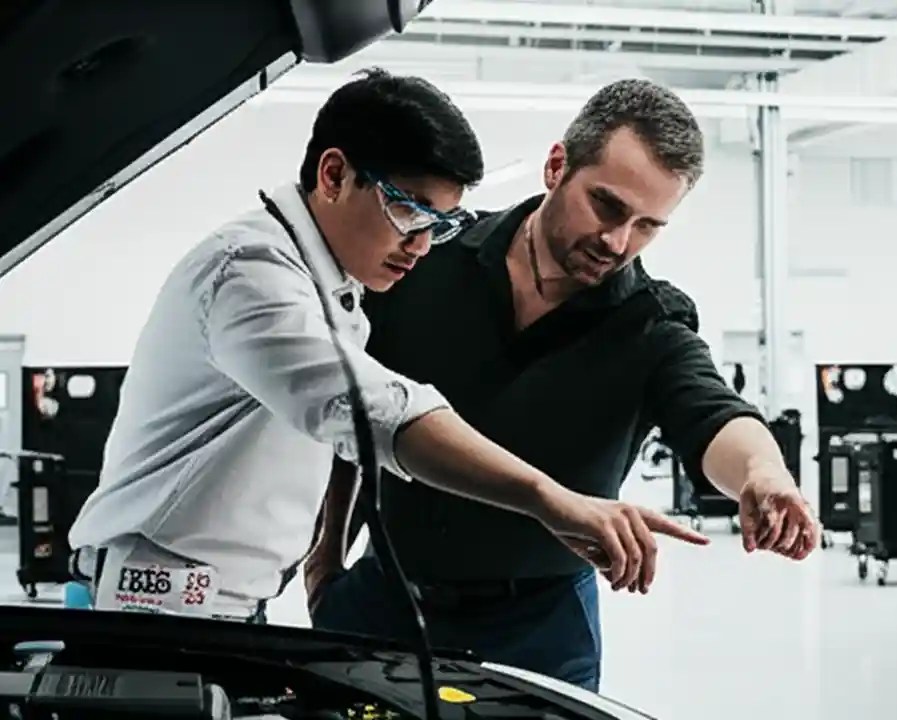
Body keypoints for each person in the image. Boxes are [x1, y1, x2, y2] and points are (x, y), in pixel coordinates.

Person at [66, 69, 708, 623]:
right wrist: (552, 500)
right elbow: (372, 410)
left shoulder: (331, 282)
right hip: (153, 600)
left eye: (442, 223)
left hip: (221, 600)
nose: (423, 244)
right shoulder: (251, 273)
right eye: (410, 210)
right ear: (335, 174)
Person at [304, 78, 819, 691]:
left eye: (648, 226)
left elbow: (710, 411)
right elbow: (350, 414)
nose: (618, 241)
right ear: (556, 167)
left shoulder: (650, 324)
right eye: (606, 205)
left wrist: (764, 473)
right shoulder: (423, 257)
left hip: (541, 628)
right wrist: (326, 555)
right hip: (381, 599)